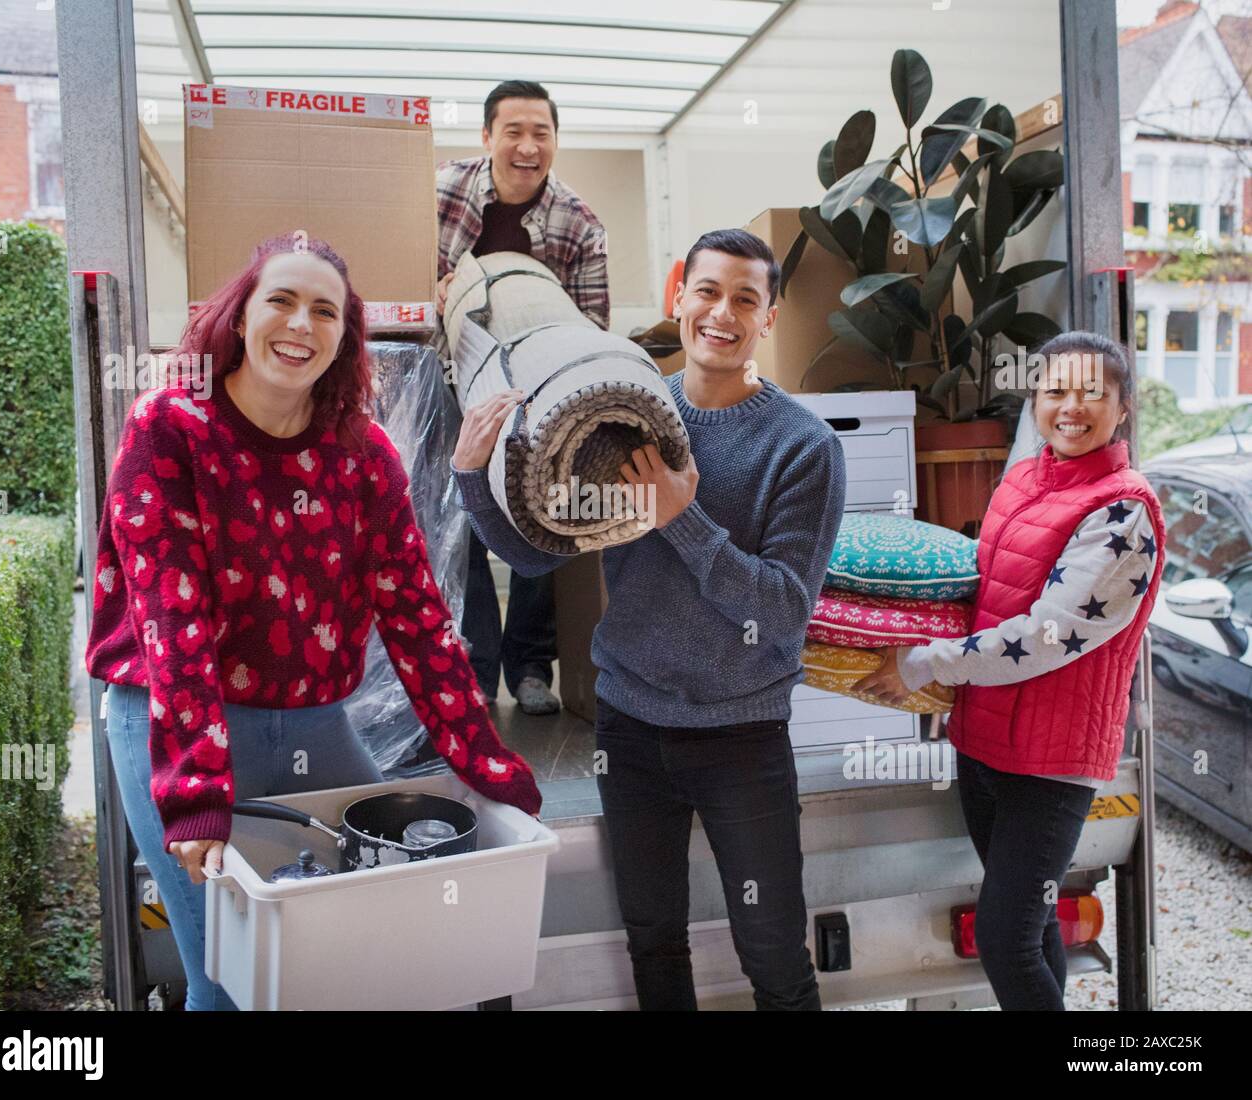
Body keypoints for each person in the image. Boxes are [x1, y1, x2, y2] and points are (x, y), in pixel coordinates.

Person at [86, 233, 542, 1011]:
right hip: (176, 716)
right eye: (282, 301)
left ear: (343, 337)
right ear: (240, 314)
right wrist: (196, 789)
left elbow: (419, 622)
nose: (301, 324)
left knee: (377, 935)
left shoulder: (363, 456)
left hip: (312, 722)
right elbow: (173, 618)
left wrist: (485, 762)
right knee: (229, 979)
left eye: (324, 311)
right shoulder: (170, 425)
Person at [451, 229, 847, 1010]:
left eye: (745, 298)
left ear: (768, 318)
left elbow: (782, 613)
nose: (721, 313)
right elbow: (534, 557)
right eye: (707, 291)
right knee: (654, 945)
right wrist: (470, 477)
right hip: (630, 730)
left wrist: (683, 517)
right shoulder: (621, 407)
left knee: (774, 958)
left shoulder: (803, 446)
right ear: (678, 298)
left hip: (742, 738)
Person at [854, 331, 1165, 1011]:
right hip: (984, 743)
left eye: (1092, 392)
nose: (1071, 407)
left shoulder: (1123, 510)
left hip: (1050, 765)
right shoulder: (1025, 477)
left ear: (1123, 407)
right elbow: (985, 590)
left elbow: (1046, 635)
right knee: (1028, 928)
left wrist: (921, 663)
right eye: (1055, 390)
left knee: (1004, 937)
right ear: (1036, 398)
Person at [436, 79, 610, 716]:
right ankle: (476, 668)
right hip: (448, 378)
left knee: (541, 510)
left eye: (541, 132)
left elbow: (594, 324)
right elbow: (393, 283)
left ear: (555, 141)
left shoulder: (581, 223)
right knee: (461, 513)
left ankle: (531, 663)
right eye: (513, 131)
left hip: (537, 388)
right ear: (487, 138)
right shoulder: (440, 193)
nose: (527, 146)